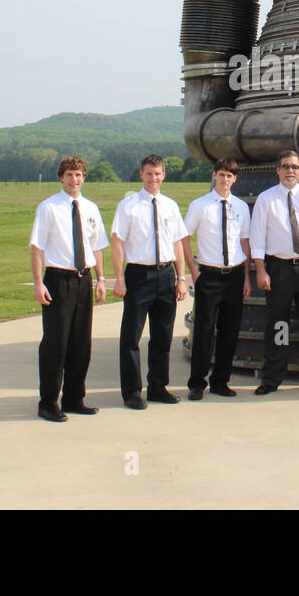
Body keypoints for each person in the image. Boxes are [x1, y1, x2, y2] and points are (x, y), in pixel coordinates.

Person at [29, 156, 109, 422]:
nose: (75, 180)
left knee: (81, 343)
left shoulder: (90, 208)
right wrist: (38, 283)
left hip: (83, 279)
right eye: (70, 175)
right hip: (58, 280)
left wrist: (100, 279)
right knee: (56, 344)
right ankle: (48, 402)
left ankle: (75, 398)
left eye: (79, 175)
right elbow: (37, 247)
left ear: (84, 177)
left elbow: (96, 247)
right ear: (61, 177)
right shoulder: (48, 208)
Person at [111, 154, 189, 410]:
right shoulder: (129, 206)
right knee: (131, 337)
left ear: (163, 175)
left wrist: (180, 278)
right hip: (139, 276)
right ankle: (132, 392)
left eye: (157, 174)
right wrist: (120, 278)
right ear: (141, 175)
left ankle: (158, 387)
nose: (153, 178)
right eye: (148, 173)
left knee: (162, 336)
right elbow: (118, 243)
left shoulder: (170, 206)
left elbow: (178, 243)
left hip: (165, 275)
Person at [248, 150, 299, 395]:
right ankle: (273, 378)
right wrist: (261, 270)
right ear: (278, 170)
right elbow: (257, 237)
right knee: (279, 325)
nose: (290, 171)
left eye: (294, 166)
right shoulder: (266, 199)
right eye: (285, 166)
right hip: (279, 270)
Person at [180, 158, 251, 400]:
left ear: (235, 179)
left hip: (234, 275)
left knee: (229, 332)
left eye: (229, 176)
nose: (225, 179)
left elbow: (245, 242)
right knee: (204, 331)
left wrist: (247, 278)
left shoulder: (241, 207)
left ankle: (221, 381)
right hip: (209, 275)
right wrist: (193, 271)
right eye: (221, 175)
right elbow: (184, 238)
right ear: (214, 175)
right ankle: (197, 383)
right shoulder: (200, 205)